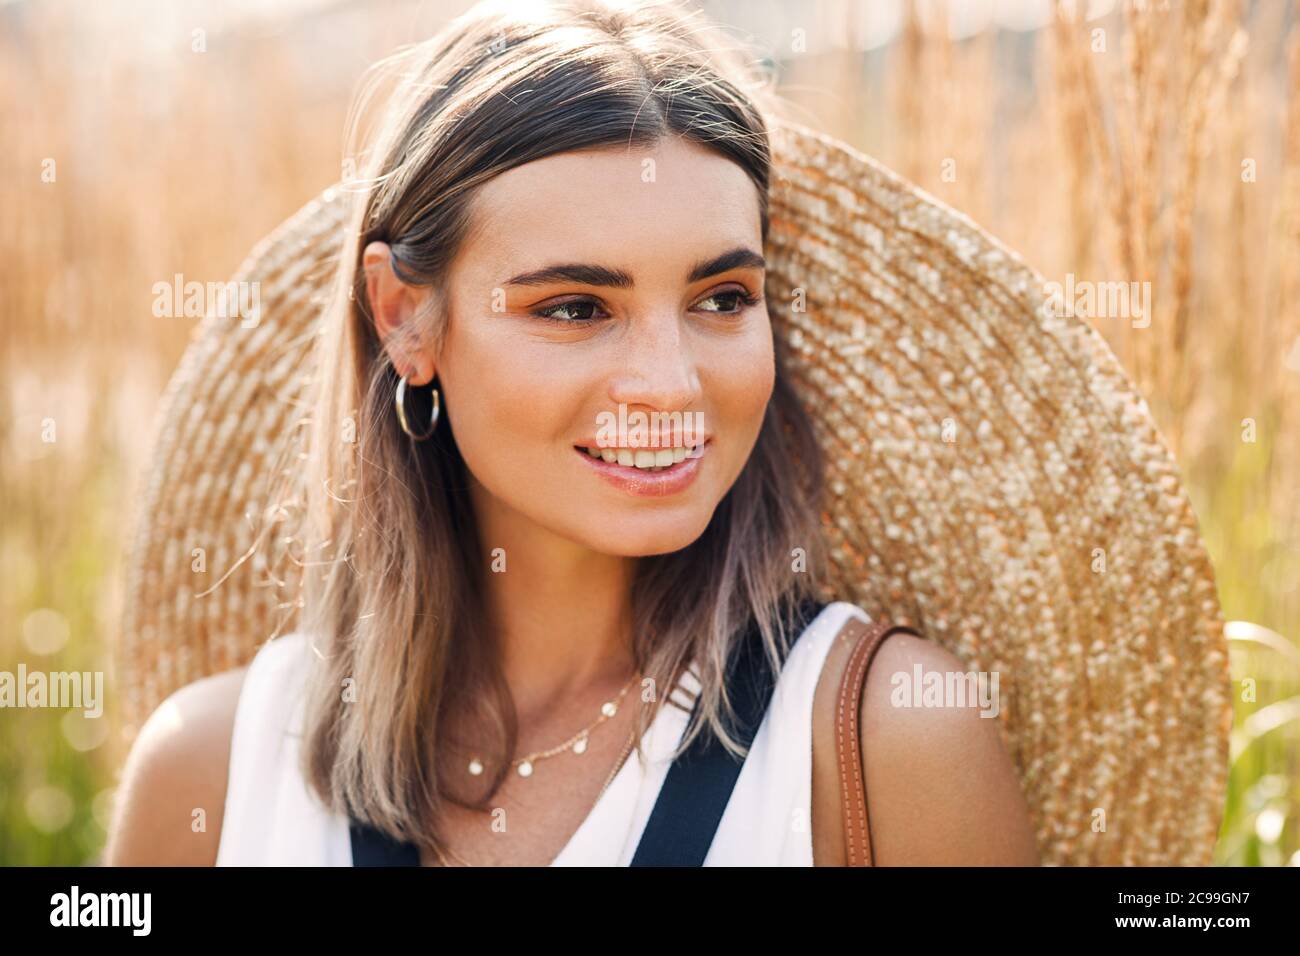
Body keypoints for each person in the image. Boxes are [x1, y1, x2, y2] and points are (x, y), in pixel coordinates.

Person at [112, 0, 1209, 868]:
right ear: (405, 318)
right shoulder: (210, 773)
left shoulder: (882, 749)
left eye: (722, 296)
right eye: (576, 307)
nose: (670, 382)